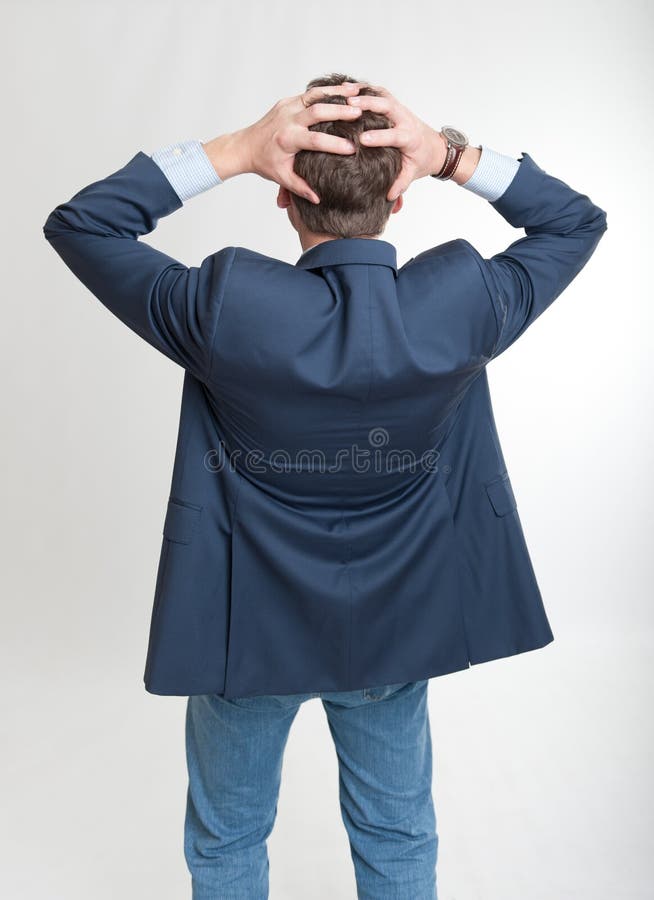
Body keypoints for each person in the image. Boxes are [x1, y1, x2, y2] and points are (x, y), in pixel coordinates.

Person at [43, 73, 608, 899]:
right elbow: (575, 221)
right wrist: (451, 155)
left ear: (286, 194)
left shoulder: (226, 307)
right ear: (398, 195)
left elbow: (84, 224)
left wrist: (237, 150)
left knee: (229, 840)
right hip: (393, 629)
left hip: (251, 639)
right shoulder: (463, 303)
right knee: (398, 837)